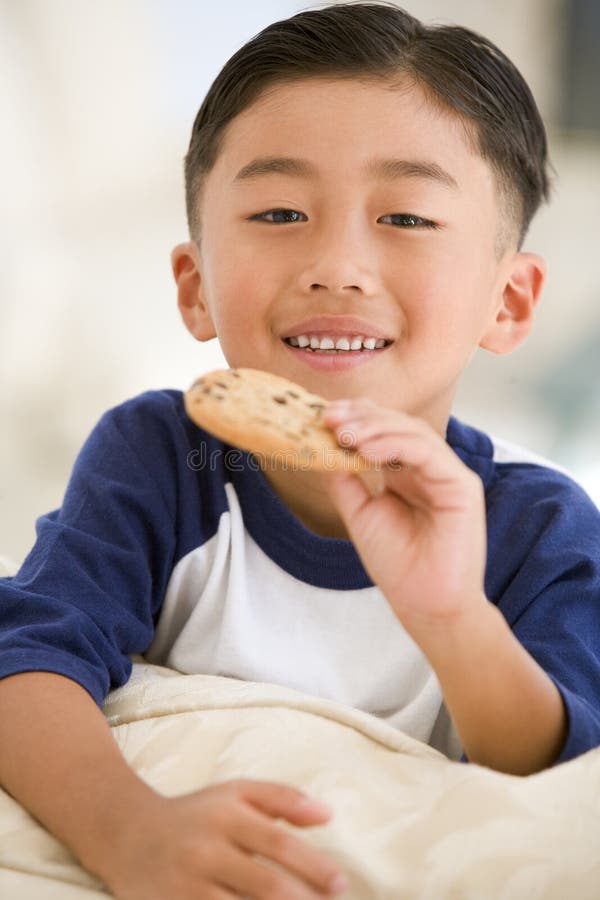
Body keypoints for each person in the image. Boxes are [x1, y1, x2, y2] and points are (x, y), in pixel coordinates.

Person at [1, 2, 600, 897]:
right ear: (196, 287)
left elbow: (562, 773)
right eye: (280, 210)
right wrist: (126, 828)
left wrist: (451, 620)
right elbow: (27, 660)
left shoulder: (537, 524)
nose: (337, 264)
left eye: (406, 218)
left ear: (506, 303)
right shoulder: (162, 458)